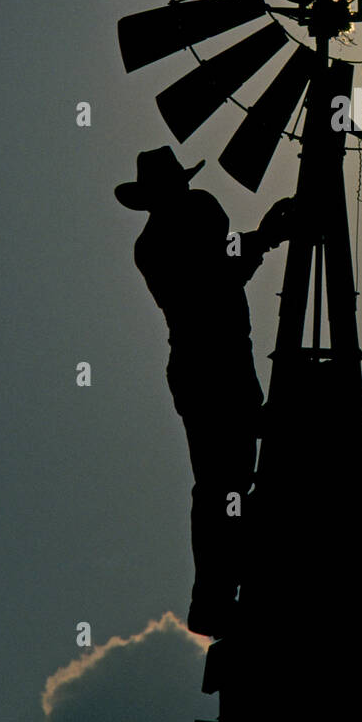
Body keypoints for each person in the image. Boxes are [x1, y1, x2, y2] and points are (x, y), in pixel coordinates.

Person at [115, 145, 294, 637]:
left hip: (221, 364)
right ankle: (215, 598)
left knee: (231, 479)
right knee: (224, 483)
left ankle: (225, 590)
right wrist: (265, 237)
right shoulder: (169, 233)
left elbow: (225, 262)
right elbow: (218, 272)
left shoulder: (179, 223)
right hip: (208, 367)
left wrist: (261, 238)